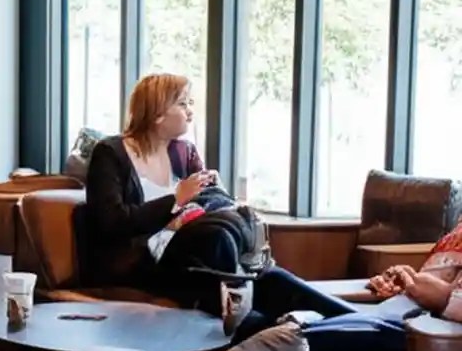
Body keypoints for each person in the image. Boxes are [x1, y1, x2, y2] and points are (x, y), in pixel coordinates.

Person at [83, 73, 343, 334]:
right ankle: (260, 319)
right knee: (217, 239)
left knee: (269, 277)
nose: (190, 112)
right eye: (183, 104)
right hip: (143, 263)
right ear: (158, 112)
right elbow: (111, 222)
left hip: (198, 258)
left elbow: (211, 205)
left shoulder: (183, 152)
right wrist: (175, 200)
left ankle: (354, 322)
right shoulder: (111, 153)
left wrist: (216, 189)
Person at [193, 218, 462, 351]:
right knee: (272, 282)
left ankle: (291, 345)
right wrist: (405, 279)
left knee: (291, 336)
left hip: (438, 336)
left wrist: (444, 297)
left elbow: (447, 297)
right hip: (407, 309)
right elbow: (439, 279)